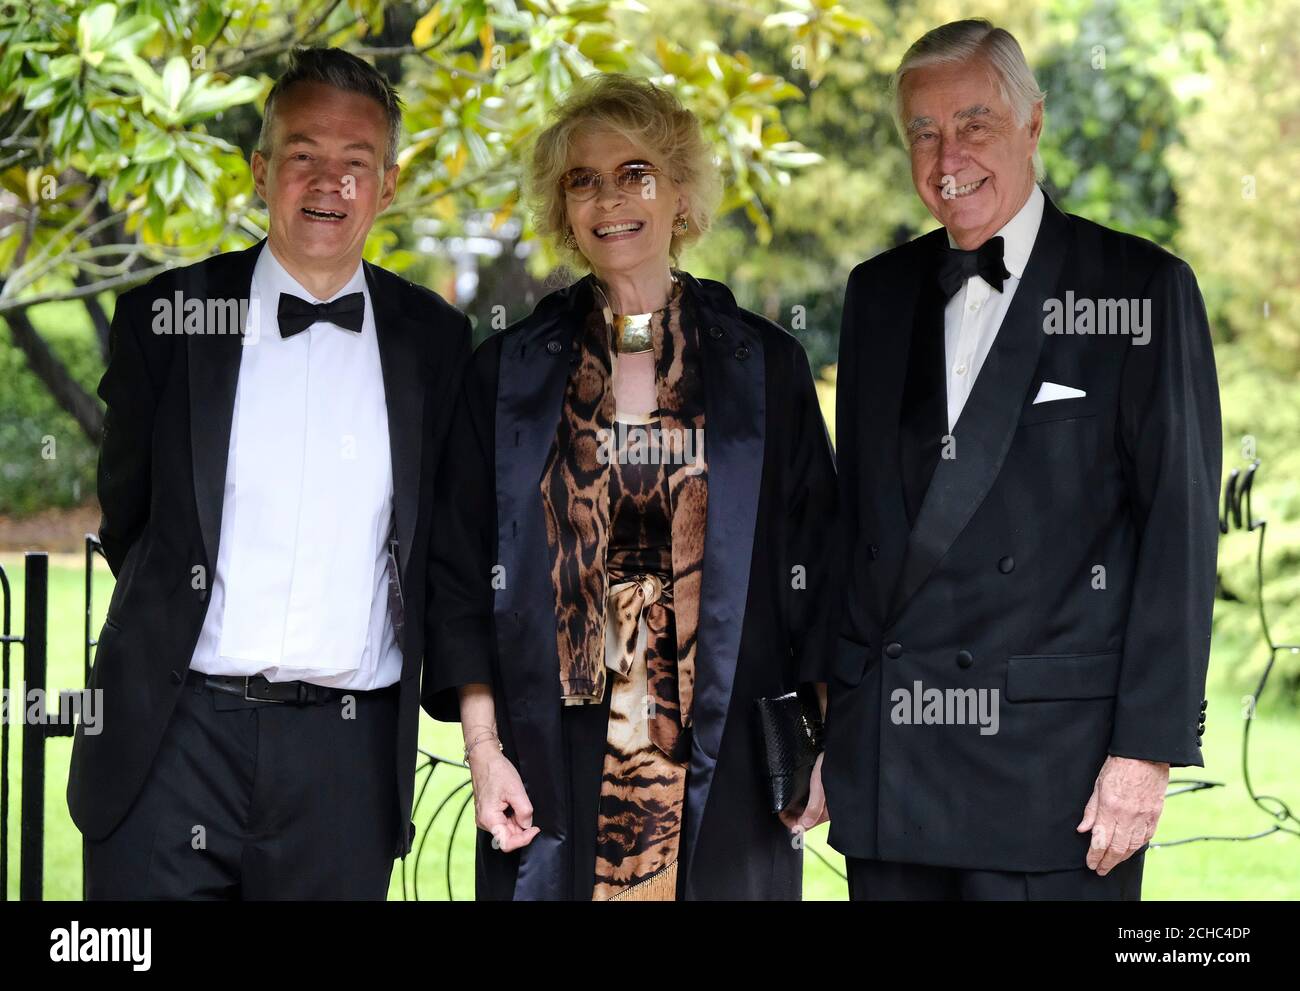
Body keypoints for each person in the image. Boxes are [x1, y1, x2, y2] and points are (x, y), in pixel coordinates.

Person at [824, 19, 1221, 900]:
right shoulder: (876, 294)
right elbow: (857, 527)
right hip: (892, 764)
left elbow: (1181, 535)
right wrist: (829, 719)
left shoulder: (1140, 291)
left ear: (1032, 124)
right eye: (922, 133)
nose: (946, 157)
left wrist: (1145, 753)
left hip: (1055, 781)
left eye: (972, 124)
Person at [68, 47, 470, 899]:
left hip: (346, 756)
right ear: (261, 170)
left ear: (388, 185)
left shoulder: (436, 343)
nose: (329, 183)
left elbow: (442, 540)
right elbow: (131, 514)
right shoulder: (165, 320)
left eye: (355, 164)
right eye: (303, 156)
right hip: (174, 741)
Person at [425, 73, 836, 900]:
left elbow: (820, 569)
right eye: (584, 179)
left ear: (680, 192)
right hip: (554, 757)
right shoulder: (507, 372)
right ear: (563, 209)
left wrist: (822, 745)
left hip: (723, 757)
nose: (609, 198)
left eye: (636, 173)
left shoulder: (763, 368)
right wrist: (485, 749)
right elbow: (458, 575)